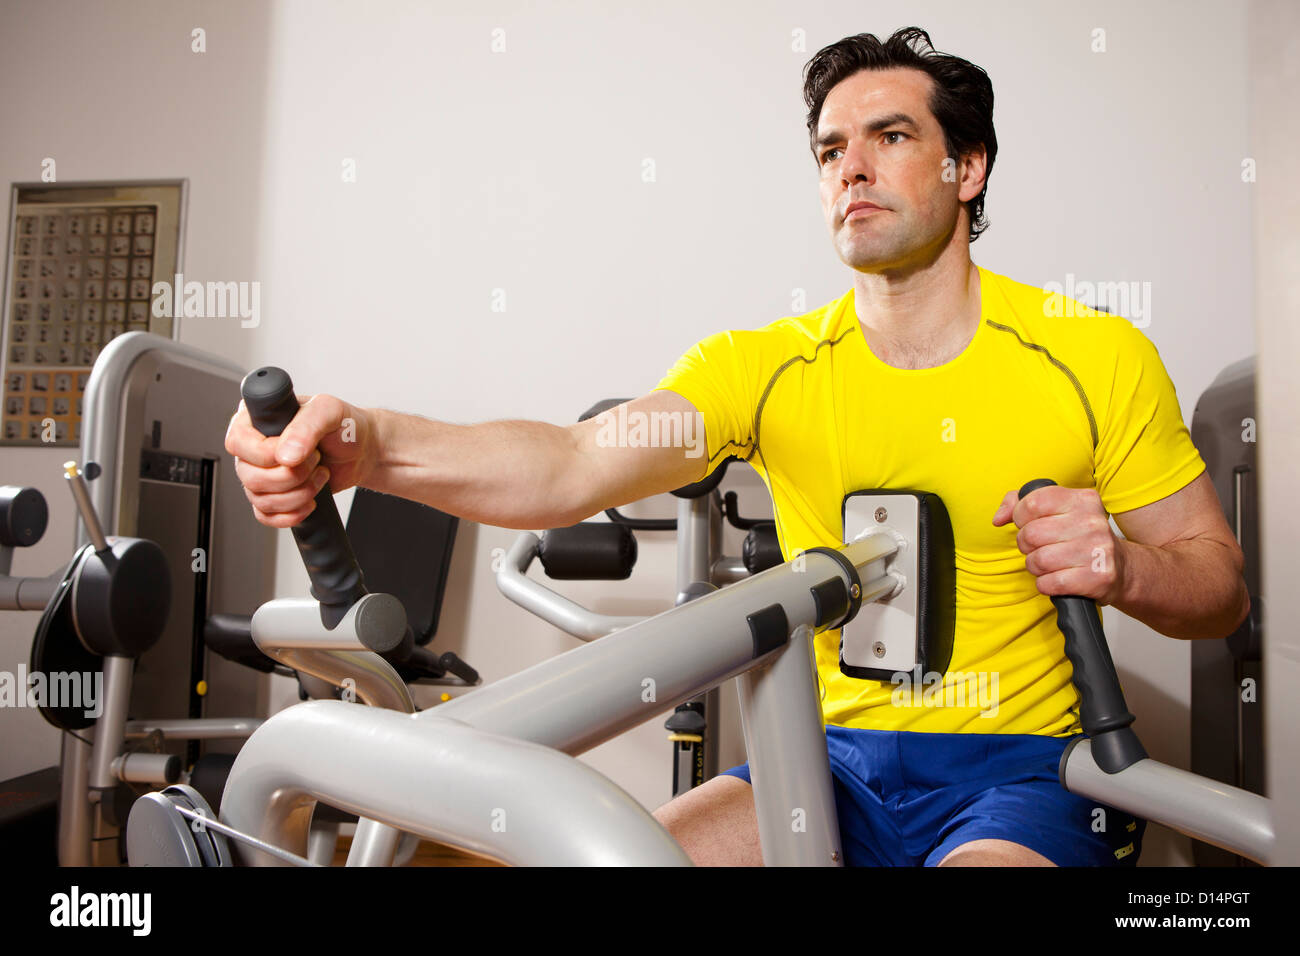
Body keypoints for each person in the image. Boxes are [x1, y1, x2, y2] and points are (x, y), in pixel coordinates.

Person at [225, 27, 1249, 867]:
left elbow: (1218, 585)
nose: (851, 164)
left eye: (889, 136)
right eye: (829, 148)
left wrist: (1121, 563)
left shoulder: (1091, 354)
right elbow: (572, 465)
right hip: (823, 761)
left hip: (1020, 769)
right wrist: (362, 441)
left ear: (966, 166)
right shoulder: (764, 368)